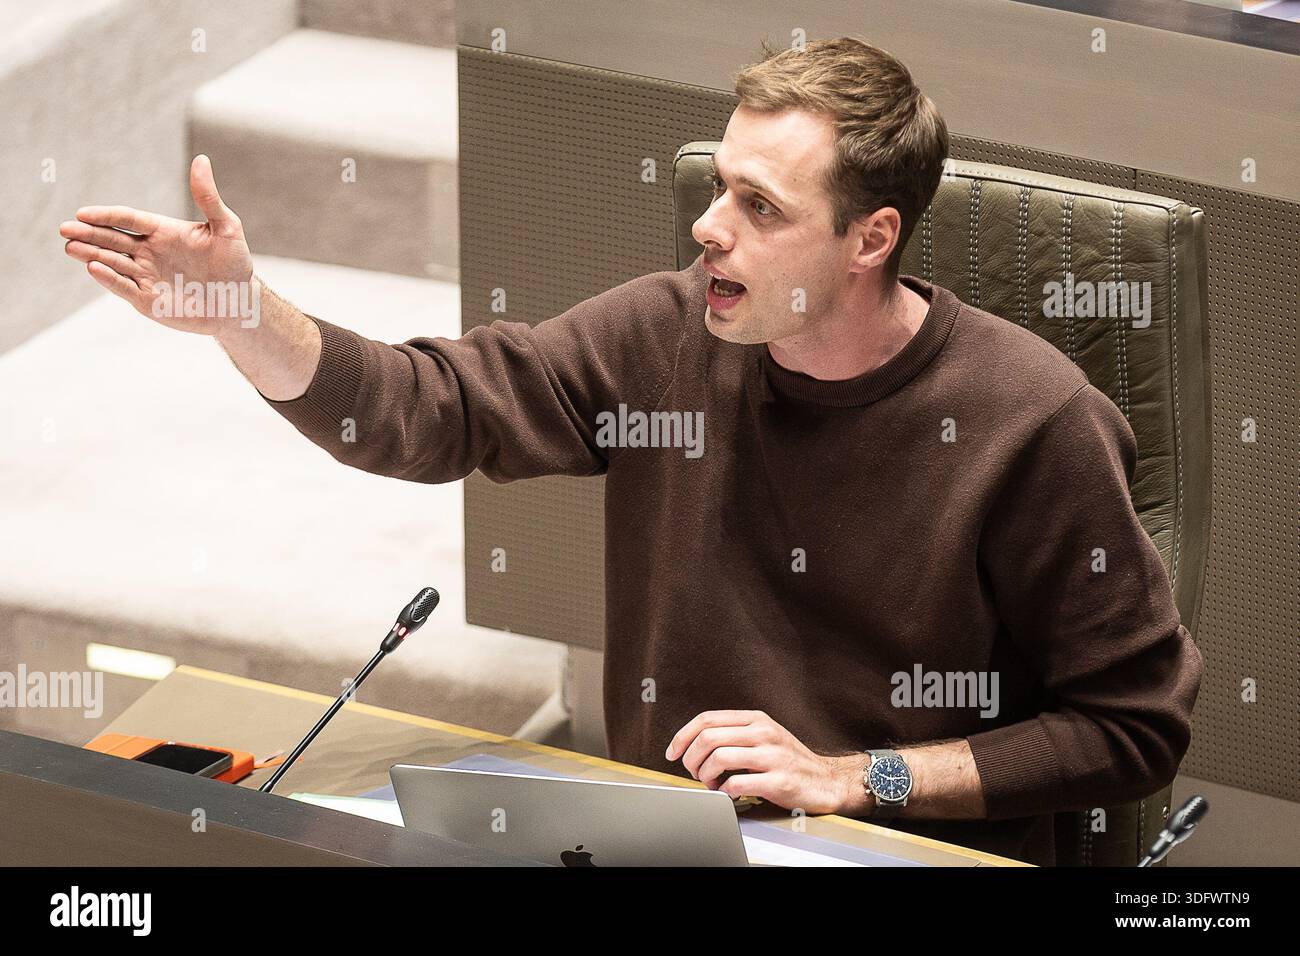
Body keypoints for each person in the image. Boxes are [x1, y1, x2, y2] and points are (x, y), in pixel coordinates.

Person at [57, 36, 1202, 866]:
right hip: (661, 838)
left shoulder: (1031, 421)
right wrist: (243, 314)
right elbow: (429, 406)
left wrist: (855, 777)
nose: (708, 225)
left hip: (895, 848)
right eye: (719, 189)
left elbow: (1131, 727)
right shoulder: (669, 332)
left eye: (758, 207)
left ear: (870, 238)